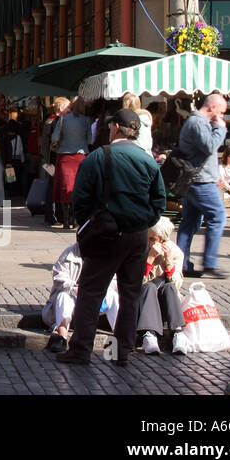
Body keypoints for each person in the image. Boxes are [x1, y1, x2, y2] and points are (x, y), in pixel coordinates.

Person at [57, 108, 165, 366]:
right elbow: (159, 201)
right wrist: (143, 222)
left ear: (115, 127)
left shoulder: (97, 157)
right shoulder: (148, 160)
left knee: (91, 292)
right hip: (137, 235)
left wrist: (88, 223)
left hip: (105, 233)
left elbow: (80, 199)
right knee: (130, 294)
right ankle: (120, 352)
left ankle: (81, 350)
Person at [175, 92, 230, 278]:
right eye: (221, 112)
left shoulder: (196, 122)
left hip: (196, 179)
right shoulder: (198, 122)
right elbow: (209, 147)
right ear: (212, 107)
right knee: (218, 216)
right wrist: (220, 128)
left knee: (189, 222)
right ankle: (210, 262)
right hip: (200, 181)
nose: (222, 116)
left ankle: (181, 264)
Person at [41, 241, 119, 354]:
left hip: (96, 298)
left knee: (113, 297)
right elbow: (59, 278)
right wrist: (77, 289)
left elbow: (113, 279)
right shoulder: (69, 253)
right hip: (74, 297)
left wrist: (99, 290)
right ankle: (62, 335)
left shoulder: (105, 253)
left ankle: (119, 334)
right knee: (62, 296)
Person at [136, 216, 188, 355]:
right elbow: (135, 282)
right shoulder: (141, 250)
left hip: (165, 301)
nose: (149, 242)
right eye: (148, 237)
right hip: (144, 300)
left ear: (163, 240)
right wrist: (150, 259)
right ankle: (149, 334)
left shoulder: (175, 252)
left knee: (169, 287)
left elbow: (176, 284)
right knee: (149, 287)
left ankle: (178, 333)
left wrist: (169, 263)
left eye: (153, 239)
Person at [52, 97, 92, 229]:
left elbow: (55, 137)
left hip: (65, 156)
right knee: (77, 188)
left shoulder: (63, 119)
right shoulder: (86, 120)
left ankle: (65, 220)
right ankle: (75, 220)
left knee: (65, 188)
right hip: (81, 155)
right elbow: (90, 140)